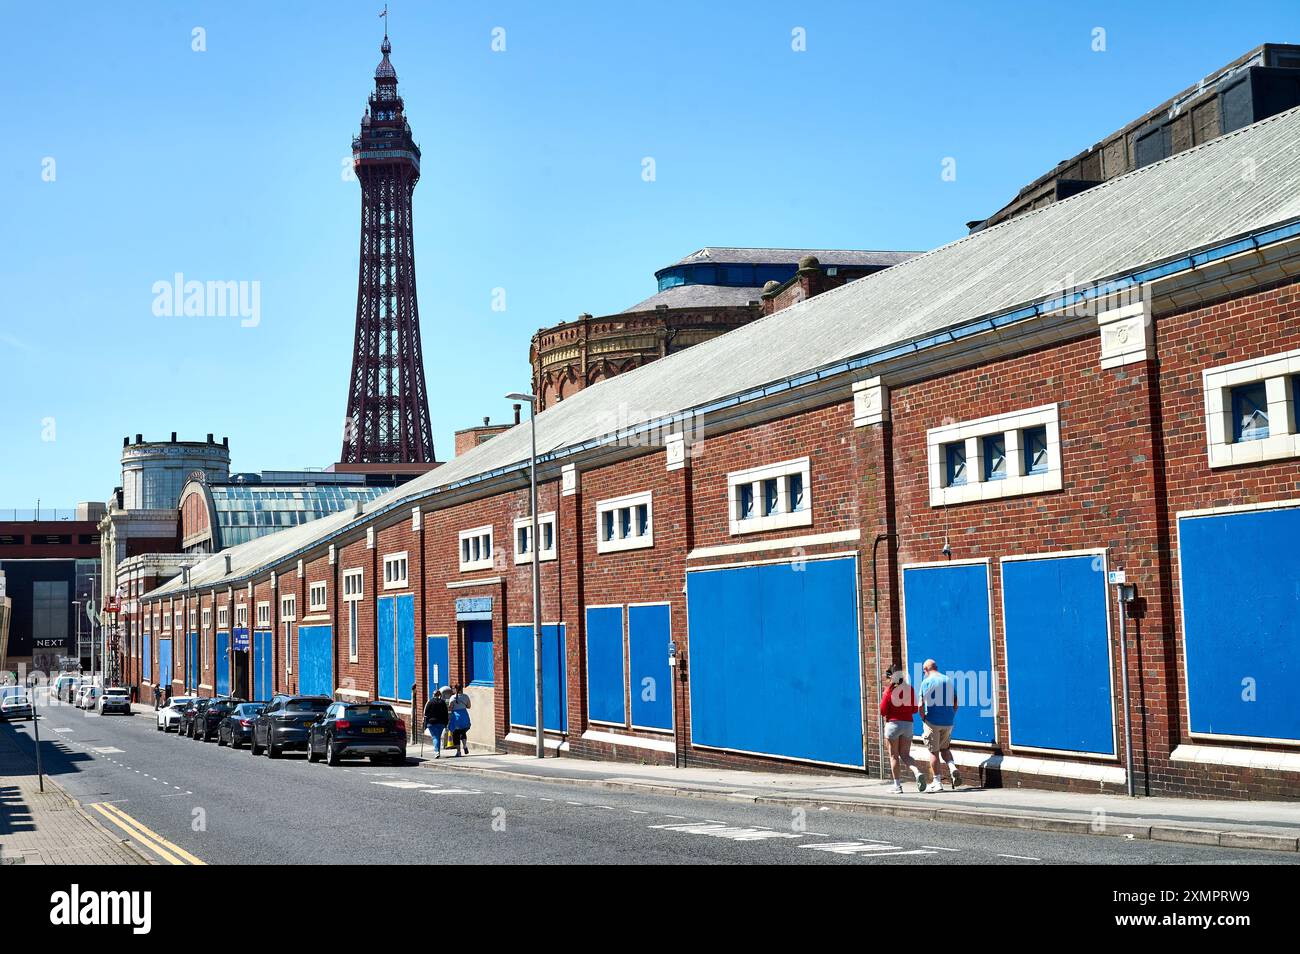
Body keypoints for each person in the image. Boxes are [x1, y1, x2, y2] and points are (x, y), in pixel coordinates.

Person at [879, 664, 924, 793]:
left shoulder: (888, 691)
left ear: (890, 677)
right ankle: (917, 772)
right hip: (908, 724)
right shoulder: (909, 689)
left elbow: (882, 711)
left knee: (894, 756)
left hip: (893, 725)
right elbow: (915, 709)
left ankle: (897, 786)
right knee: (905, 754)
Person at [919, 658, 960, 792]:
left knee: (933, 751)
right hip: (948, 721)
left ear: (926, 670)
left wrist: (924, 718)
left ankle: (937, 782)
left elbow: (920, 705)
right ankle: (952, 767)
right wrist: (951, 714)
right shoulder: (947, 679)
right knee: (945, 748)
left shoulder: (926, 682)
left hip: (933, 721)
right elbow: (955, 701)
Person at [423, 689, 450, 758]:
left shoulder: (430, 702)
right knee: (437, 737)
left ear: (433, 695)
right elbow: (446, 713)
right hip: (441, 723)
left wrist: (425, 725)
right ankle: (437, 752)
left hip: (431, 723)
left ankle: (437, 752)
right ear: (439, 695)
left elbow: (426, 714)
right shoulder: (443, 702)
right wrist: (446, 723)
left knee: (435, 737)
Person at [447, 683, 471, 756]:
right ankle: (464, 745)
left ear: (455, 689)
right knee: (463, 732)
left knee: (456, 734)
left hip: (456, 716)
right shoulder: (465, 696)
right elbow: (469, 706)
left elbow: (450, 708)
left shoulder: (452, 698)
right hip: (464, 715)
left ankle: (458, 751)